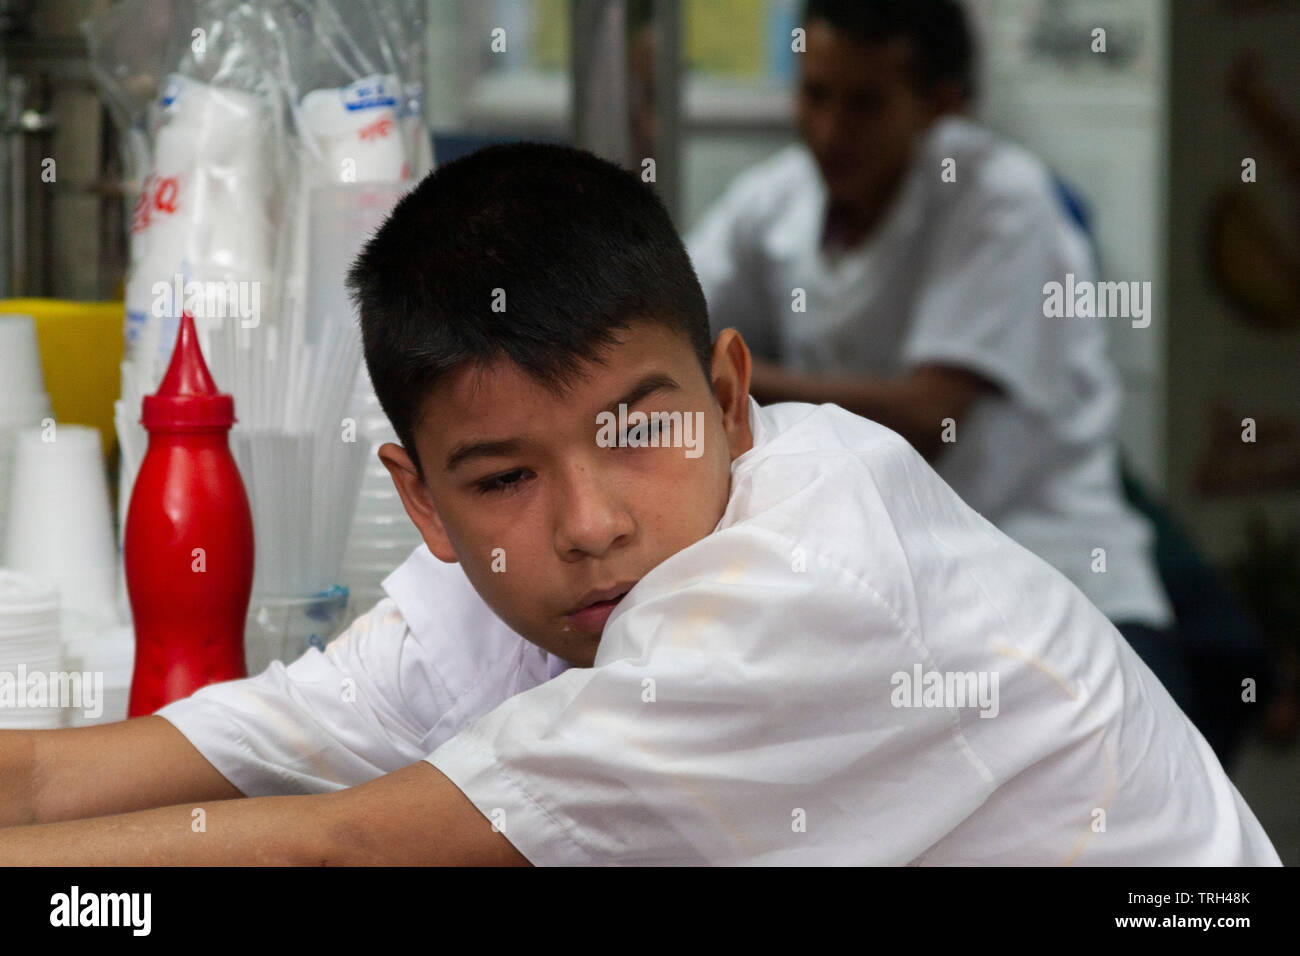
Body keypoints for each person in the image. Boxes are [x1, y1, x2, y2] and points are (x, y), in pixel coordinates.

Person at [0, 143, 1280, 865]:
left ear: (732, 398)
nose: (591, 520)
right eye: (504, 475)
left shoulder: (797, 574)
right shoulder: (485, 605)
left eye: (643, 430)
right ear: (425, 505)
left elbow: (338, 850)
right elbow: (76, 779)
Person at [685, 0, 1189, 711]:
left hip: (1053, 577)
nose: (830, 132)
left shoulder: (1000, 202)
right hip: (889, 587)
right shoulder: (778, 201)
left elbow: (927, 415)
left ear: (939, 107)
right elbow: (667, 317)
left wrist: (726, 376)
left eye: (865, 104)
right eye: (815, 95)